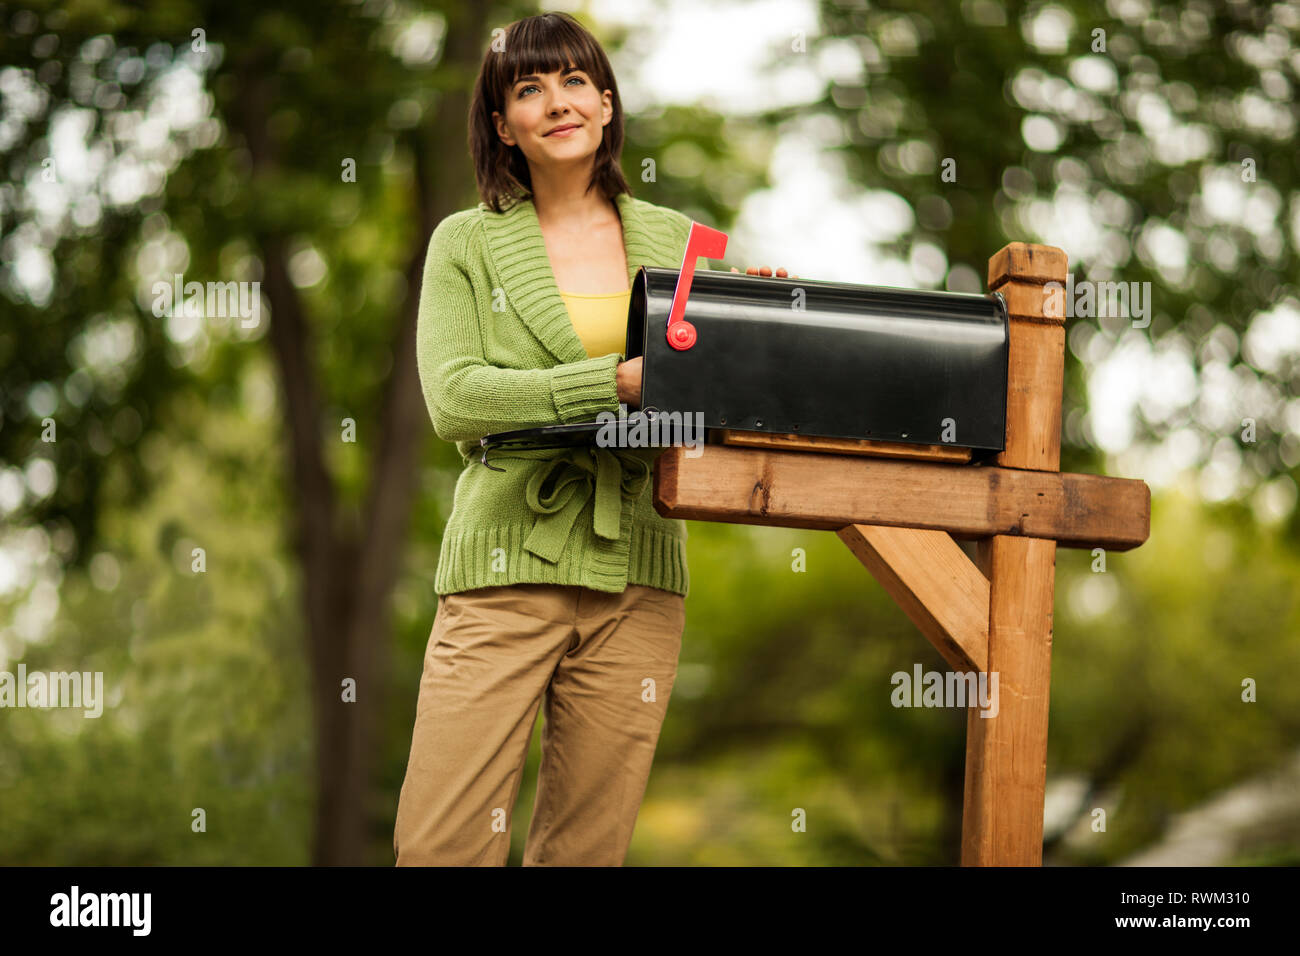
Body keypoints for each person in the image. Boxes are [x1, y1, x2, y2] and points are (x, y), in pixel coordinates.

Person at [393, 10, 790, 866]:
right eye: (529, 89)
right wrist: (607, 382)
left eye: (574, 81)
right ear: (503, 126)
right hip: (505, 567)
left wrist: (763, 330)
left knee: (585, 855)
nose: (556, 101)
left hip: (640, 580)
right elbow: (455, 399)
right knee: (440, 847)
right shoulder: (464, 243)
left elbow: (728, 410)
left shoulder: (684, 246)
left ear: (607, 105)